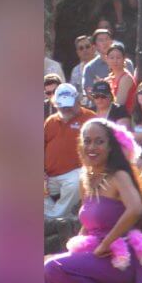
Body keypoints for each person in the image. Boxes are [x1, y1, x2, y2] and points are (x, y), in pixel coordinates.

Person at [45, 119, 142, 283]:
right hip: (96, 255)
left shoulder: (118, 176)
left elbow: (135, 209)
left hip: (119, 259)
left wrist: (107, 243)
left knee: (52, 268)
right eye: (87, 141)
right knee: (47, 264)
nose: (92, 147)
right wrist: (73, 252)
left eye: (99, 141)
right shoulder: (85, 178)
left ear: (111, 146)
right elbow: (87, 225)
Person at [45, 84, 97, 218]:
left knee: (77, 181)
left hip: (76, 172)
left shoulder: (90, 118)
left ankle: (53, 218)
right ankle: (52, 215)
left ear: (77, 101)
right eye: (62, 105)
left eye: (69, 105)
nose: (66, 108)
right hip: (49, 176)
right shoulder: (50, 121)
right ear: (56, 103)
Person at [82, 28, 134, 94]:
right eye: (101, 40)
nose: (105, 42)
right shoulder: (89, 68)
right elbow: (88, 92)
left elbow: (132, 88)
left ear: (112, 42)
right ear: (95, 47)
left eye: (107, 39)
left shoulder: (127, 63)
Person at [104, 44, 136, 113]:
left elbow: (119, 104)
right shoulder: (109, 78)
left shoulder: (126, 78)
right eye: (111, 58)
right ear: (107, 59)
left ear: (124, 59)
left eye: (118, 58)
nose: (115, 61)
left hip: (124, 115)